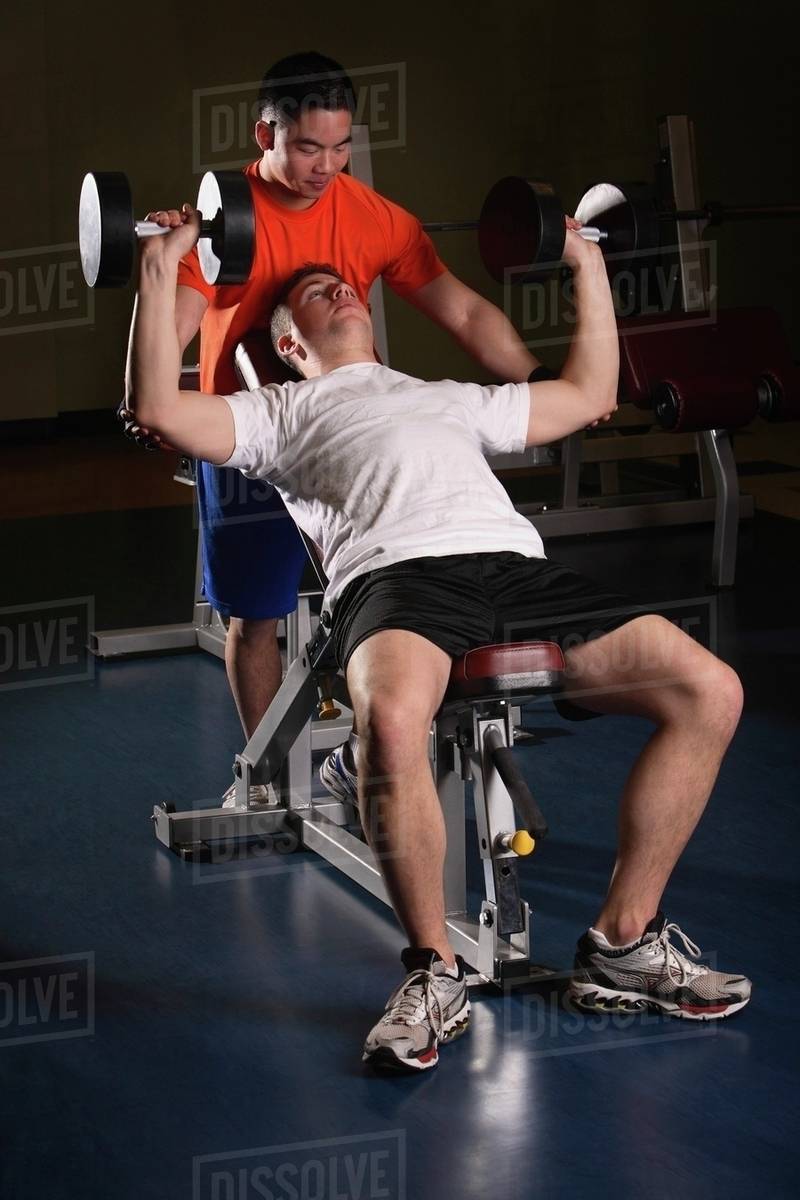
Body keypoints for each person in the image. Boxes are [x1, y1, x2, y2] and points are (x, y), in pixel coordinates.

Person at [125, 206, 751, 1073]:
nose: (338, 288)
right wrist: (164, 265)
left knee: (711, 691)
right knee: (388, 723)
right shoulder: (275, 412)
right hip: (396, 583)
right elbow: (154, 406)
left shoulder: (448, 397)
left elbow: (589, 395)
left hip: (516, 572)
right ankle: (432, 972)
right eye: (312, 293)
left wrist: (585, 260)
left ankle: (621, 941)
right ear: (293, 346)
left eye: (342, 283)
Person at [123, 51, 547, 808]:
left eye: (341, 146)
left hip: (353, 442)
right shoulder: (224, 220)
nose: (327, 165)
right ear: (266, 134)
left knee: (385, 597)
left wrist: (535, 378)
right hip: (247, 436)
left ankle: (368, 755)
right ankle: (264, 780)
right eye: (309, 147)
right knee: (257, 619)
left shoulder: (376, 218)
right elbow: (180, 327)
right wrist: (153, 395)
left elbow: (464, 310)